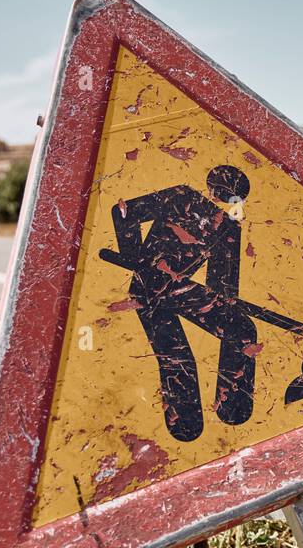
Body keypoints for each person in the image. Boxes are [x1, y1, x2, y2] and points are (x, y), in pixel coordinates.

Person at [100, 165, 255, 442]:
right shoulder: (182, 197)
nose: (227, 200)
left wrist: (226, 301)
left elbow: (221, 285)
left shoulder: (228, 228)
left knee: (241, 328)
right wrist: (136, 260)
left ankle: (233, 409)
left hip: (182, 290)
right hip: (148, 290)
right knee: (178, 357)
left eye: (233, 197)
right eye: (227, 192)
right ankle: (185, 427)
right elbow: (123, 212)